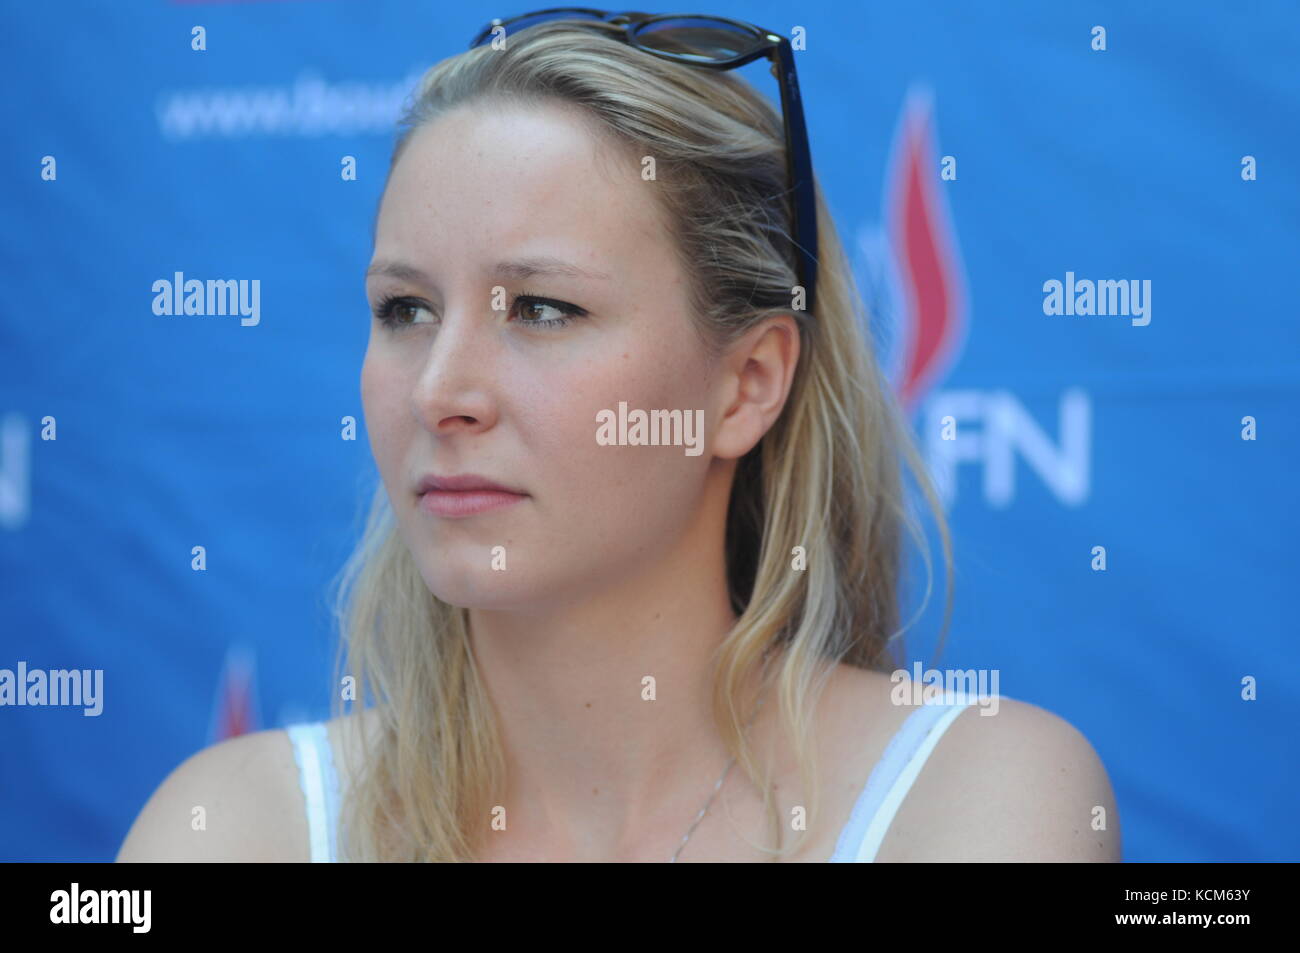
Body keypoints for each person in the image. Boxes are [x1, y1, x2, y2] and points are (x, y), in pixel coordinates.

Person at [118, 13, 1121, 863]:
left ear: (747, 383)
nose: (440, 391)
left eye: (544, 310)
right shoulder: (235, 826)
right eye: (405, 309)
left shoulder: (972, 800)